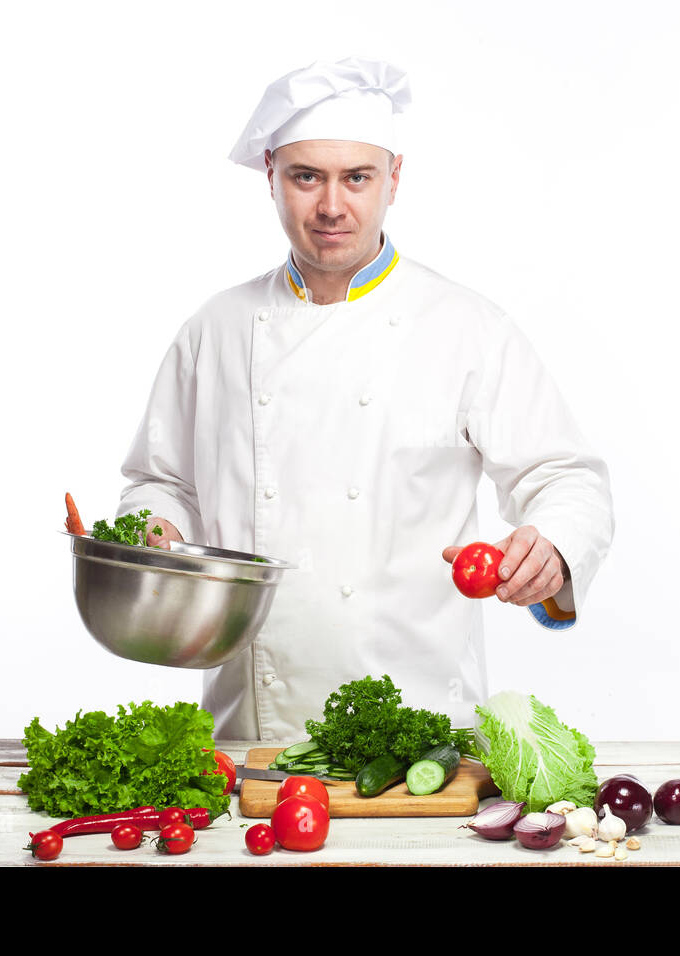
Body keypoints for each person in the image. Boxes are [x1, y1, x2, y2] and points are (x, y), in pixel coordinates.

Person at [117, 57, 614, 740]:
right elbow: (158, 480)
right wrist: (156, 530)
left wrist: (553, 546)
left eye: (356, 177)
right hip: (250, 736)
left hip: (421, 740)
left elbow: (566, 478)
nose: (331, 206)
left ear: (394, 180)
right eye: (306, 177)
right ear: (270, 178)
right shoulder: (216, 329)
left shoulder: (466, 327)